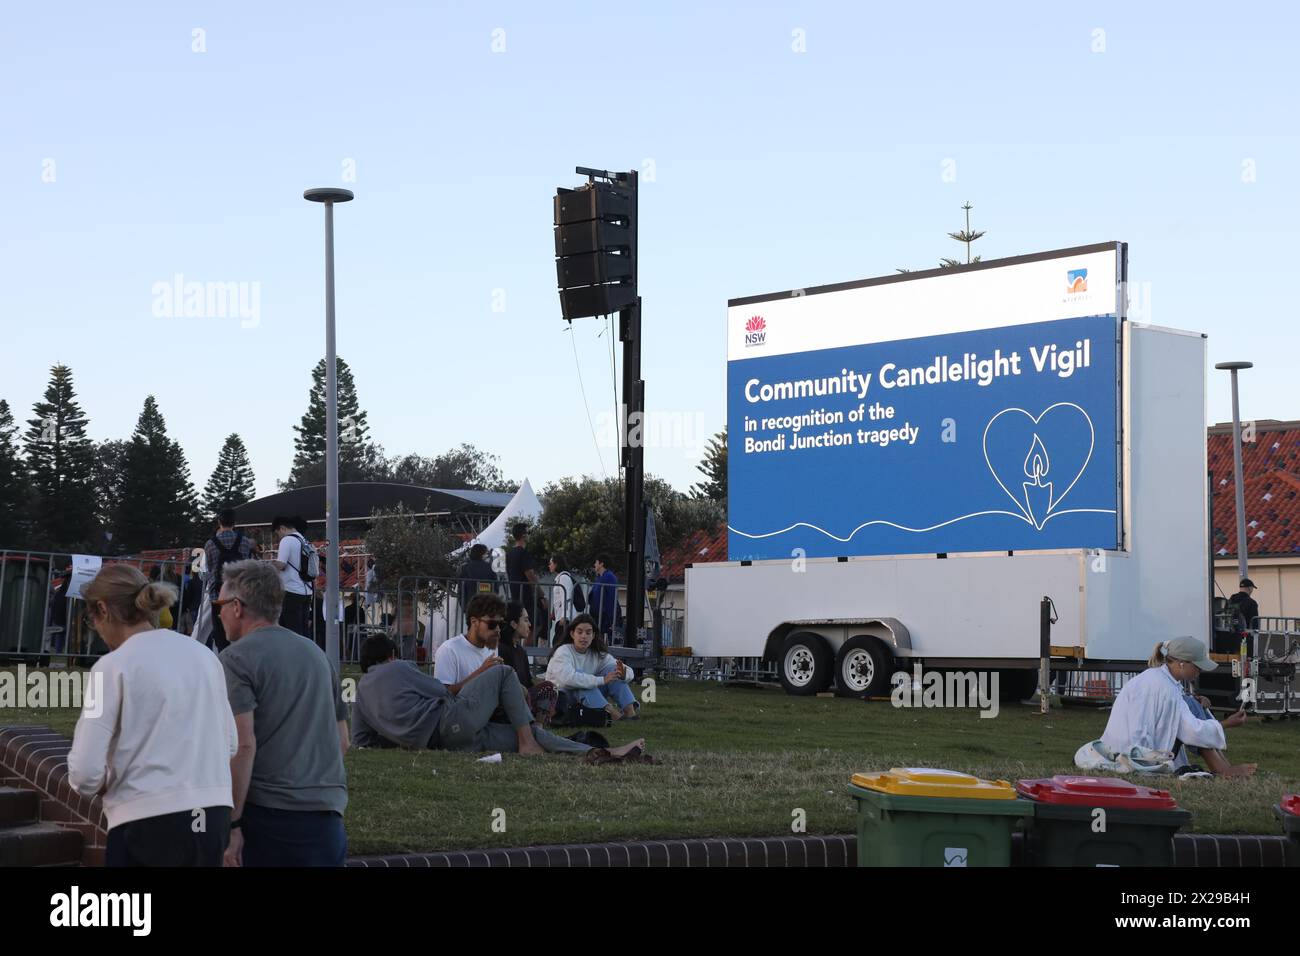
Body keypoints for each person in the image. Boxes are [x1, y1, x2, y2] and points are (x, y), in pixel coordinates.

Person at [66, 564, 236, 867]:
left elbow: (84, 772)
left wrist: (107, 781)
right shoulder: (205, 657)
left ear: (102, 609)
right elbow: (231, 743)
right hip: (211, 814)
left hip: (147, 818)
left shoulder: (113, 666)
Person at [216, 559, 350, 867]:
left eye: (219, 603)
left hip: (267, 818)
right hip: (326, 816)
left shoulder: (235, 659)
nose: (218, 611)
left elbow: (243, 745)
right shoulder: (316, 654)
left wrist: (233, 825)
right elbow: (342, 740)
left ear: (237, 607)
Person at [352, 635, 641, 757]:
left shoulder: (361, 699)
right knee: (503, 674)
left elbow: (365, 743)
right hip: (451, 722)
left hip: (444, 744)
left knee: (521, 730)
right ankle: (530, 740)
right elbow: (442, 691)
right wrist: (482, 685)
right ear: (390, 655)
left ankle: (601, 753)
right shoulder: (399, 668)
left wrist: (403, 734)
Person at [1096, 636, 1254, 777]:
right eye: (1197, 666)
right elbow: (1191, 731)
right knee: (1191, 707)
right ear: (1182, 663)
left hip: (1124, 748)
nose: (1199, 671)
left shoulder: (1157, 678)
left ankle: (1224, 768)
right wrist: (1226, 724)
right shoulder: (1164, 686)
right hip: (1136, 754)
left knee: (1191, 703)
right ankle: (1223, 770)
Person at [545, 613, 638, 722]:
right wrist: (602, 680)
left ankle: (630, 713)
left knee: (614, 670)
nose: (584, 636)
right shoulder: (563, 651)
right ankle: (614, 714)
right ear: (572, 634)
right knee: (579, 680)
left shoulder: (596, 653)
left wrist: (623, 675)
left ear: (593, 635)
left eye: (588, 633)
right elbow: (568, 680)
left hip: (587, 697)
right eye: (579, 632)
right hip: (560, 698)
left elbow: (625, 670)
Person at [204, 509, 259, 653]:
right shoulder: (244, 541)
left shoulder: (210, 544)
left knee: (220, 632)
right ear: (234, 523)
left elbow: (210, 568)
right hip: (240, 593)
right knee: (241, 629)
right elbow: (248, 563)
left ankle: (224, 661)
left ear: (219, 522)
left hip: (217, 594)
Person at [434, 593, 510, 693]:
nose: (497, 629)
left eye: (501, 624)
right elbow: (443, 694)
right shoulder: (449, 649)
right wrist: (481, 672)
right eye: (492, 624)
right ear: (474, 622)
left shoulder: (492, 649)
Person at [501, 602, 559, 724]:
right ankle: (534, 722)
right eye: (526, 620)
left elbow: (528, 683)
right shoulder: (501, 650)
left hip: (524, 700)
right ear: (513, 624)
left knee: (553, 689)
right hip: (509, 703)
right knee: (548, 688)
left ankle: (538, 721)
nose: (530, 624)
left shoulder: (521, 651)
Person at [270, 515, 314, 640]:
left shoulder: (287, 540)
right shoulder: (303, 540)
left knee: (291, 632)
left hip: (291, 590)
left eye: (277, 533)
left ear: (282, 528)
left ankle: (294, 657)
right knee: (303, 630)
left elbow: (281, 564)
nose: (278, 537)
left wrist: (265, 566)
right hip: (306, 590)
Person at [505, 523, 544, 628]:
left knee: (520, 626)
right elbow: (530, 575)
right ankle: (526, 645)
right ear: (523, 535)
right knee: (534, 625)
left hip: (515, 595)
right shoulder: (523, 553)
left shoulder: (509, 553)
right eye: (529, 533)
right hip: (526, 596)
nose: (529, 535)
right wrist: (542, 596)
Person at [458, 543, 498, 614]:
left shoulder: (465, 568)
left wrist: (464, 606)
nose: (487, 555)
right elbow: (495, 587)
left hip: (470, 605)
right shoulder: (490, 567)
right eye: (486, 553)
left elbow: (461, 590)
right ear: (482, 554)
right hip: (487, 605)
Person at [549, 555, 576, 645]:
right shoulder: (560, 578)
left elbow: (567, 597)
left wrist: (565, 616)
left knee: (558, 643)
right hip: (560, 617)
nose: (549, 565)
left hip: (564, 618)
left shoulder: (564, 578)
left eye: (551, 563)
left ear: (556, 564)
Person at [591, 555, 619, 641]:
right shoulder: (599, 578)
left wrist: (612, 618)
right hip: (597, 615)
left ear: (601, 564)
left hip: (604, 616)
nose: (594, 565)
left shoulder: (609, 577)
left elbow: (611, 598)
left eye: (596, 562)